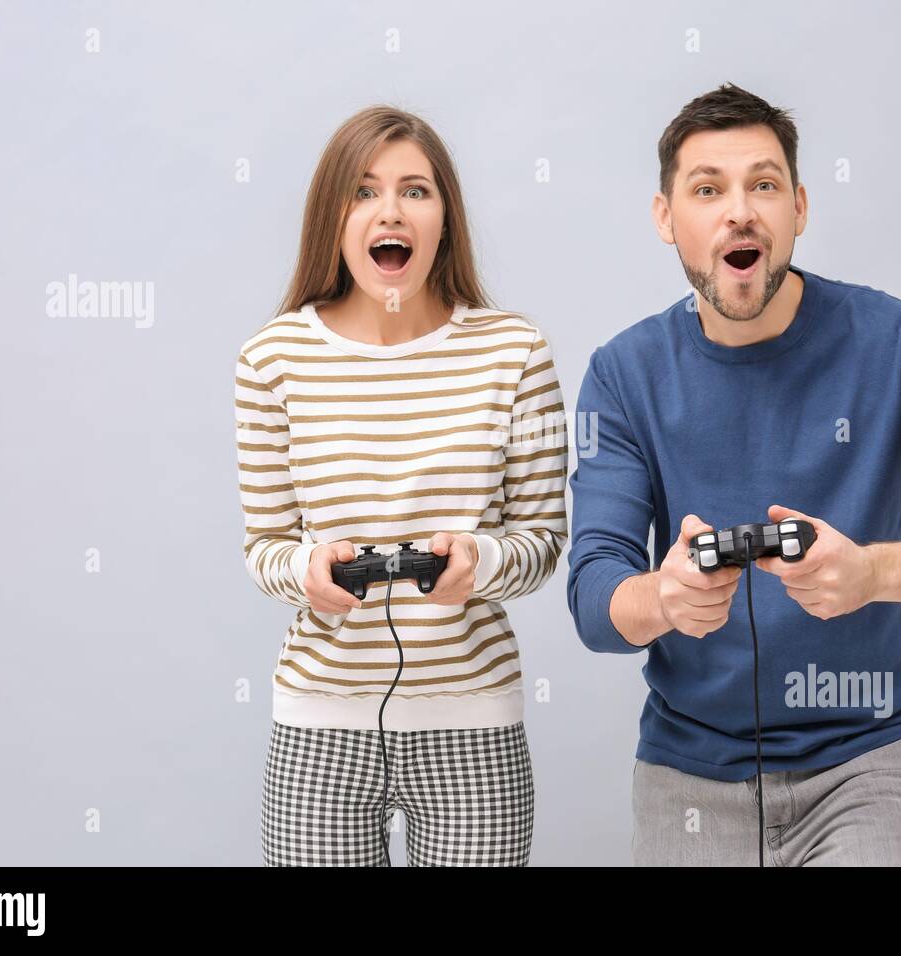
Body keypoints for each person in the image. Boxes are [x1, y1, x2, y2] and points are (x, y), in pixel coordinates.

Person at [565, 83, 901, 866]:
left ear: (798, 206)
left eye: (763, 185)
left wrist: (871, 571)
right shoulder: (623, 374)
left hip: (870, 762)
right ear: (666, 218)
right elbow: (595, 604)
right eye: (707, 190)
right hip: (688, 776)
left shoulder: (897, 342)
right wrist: (663, 597)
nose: (739, 212)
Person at [234, 106, 568, 866]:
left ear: (445, 217)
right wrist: (307, 573)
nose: (390, 211)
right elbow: (265, 548)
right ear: (333, 217)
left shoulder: (515, 350)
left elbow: (545, 542)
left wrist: (477, 562)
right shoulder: (271, 359)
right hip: (320, 729)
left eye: (415, 190)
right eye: (363, 191)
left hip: (474, 727)